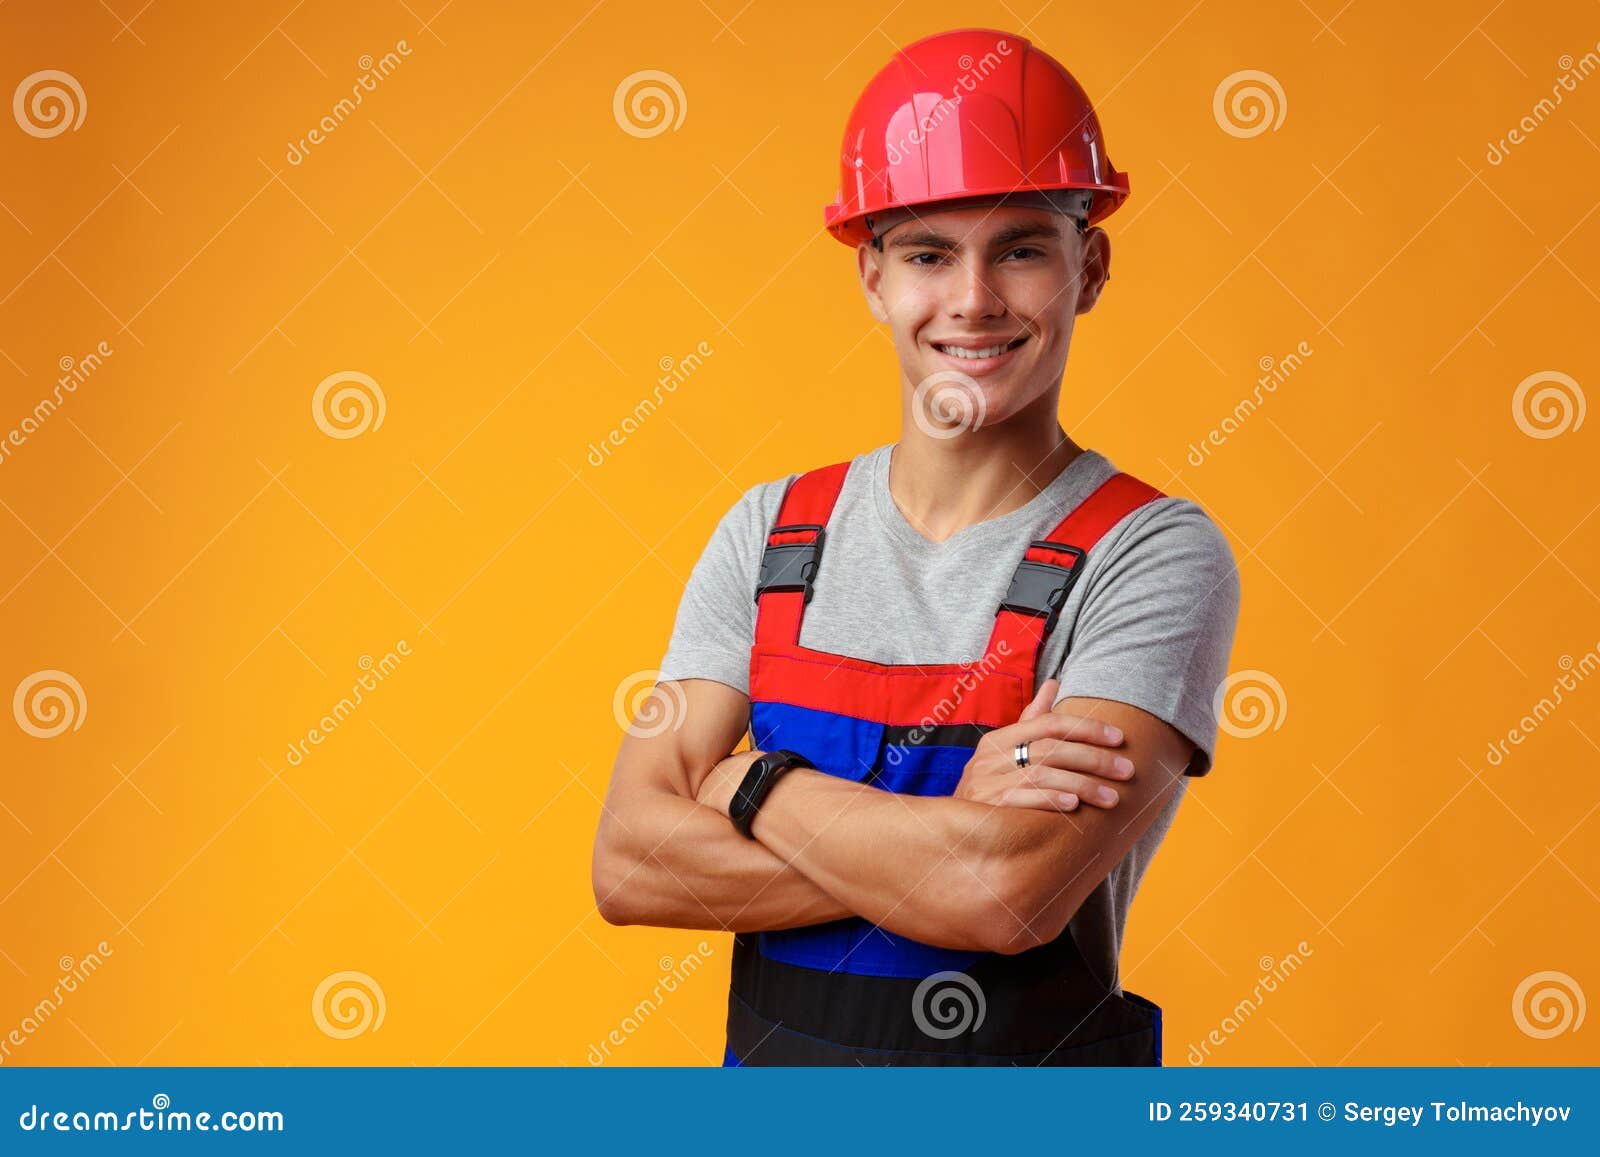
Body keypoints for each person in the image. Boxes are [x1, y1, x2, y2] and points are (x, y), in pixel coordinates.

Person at [591, 26, 1241, 1066]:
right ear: (873, 278)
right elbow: (628, 865)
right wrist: (946, 830)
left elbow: (1007, 894)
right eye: (929, 253)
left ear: (1091, 264)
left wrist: (747, 786)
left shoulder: (1150, 553)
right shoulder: (769, 533)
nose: (973, 300)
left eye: (1022, 246)